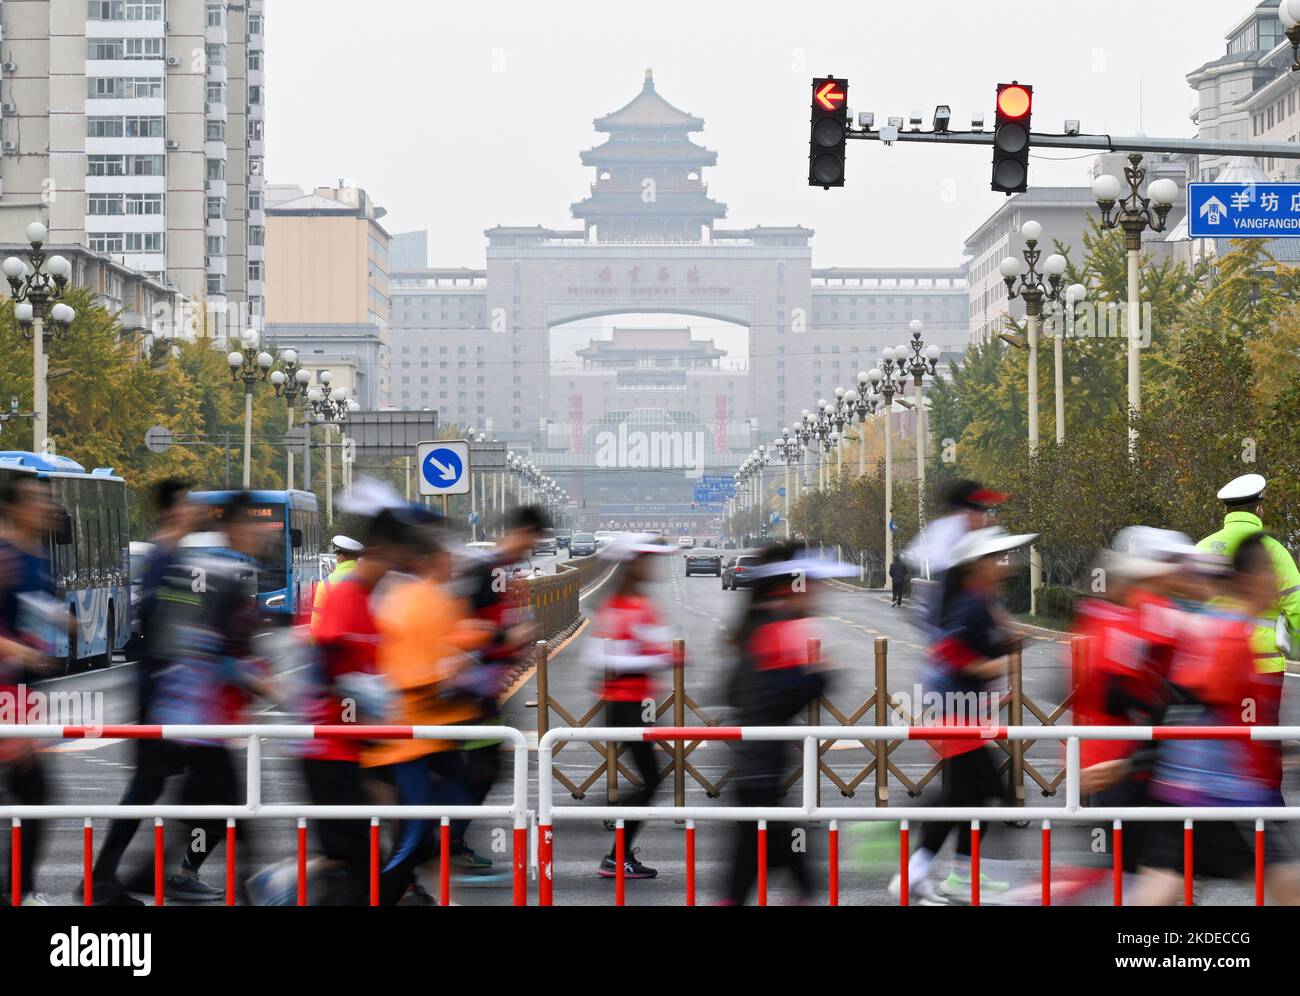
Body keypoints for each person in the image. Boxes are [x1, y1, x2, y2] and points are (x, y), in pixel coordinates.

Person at [90, 491, 273, 904]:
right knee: (175, 793)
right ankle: (120, 877)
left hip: (186, 708)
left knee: (202, 799)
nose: (195, 511)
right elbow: (178, 636)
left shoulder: (196, 564)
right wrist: (251, 679)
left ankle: (143, 875)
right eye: (187, 504)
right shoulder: (175, 562)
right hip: (178, 705)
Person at [1134, 533, 1300, 905]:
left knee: (1163, 885)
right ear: (1249, 578)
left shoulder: (1211, 623)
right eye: (1269, 573)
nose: (1275, 584)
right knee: (1287, 884)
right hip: (1225, 793)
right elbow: (1200, 696)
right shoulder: (1230, 633)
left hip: (1185, 788)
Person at [248, 513, 403, 906]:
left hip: (351, 746)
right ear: (376, 553)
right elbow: (330, 666)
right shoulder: (346, 595)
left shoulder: (369, 600)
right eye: (394, 559)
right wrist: (371, 698)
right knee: (358, 858)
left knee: (353, 855)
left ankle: (281, 884)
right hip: (327, 748)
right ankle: (279, 886)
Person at [889, 526, 1035, 905]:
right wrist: (990, 667)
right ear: (976, 565)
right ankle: (935, 871)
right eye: (998, 558)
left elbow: (984, 639)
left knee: (970, 797)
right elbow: (949, 649)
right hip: (955, 714)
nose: (1006, 563)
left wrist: (1008, 639)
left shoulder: (982, 600)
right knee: (979, 796)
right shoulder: (969, 604)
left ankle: (934, 873)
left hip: (969, 715)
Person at [366, 511, 493, 906]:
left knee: (444, 817)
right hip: (411, 739)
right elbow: (412, 674)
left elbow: (448, 641)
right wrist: (460, 674)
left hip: (437, 736)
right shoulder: (414, 600)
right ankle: (383, 894)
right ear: (429, 560)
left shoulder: (432, 599)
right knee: (416, 834)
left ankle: (423, 887)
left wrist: (480, 639)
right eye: (446, 555)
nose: (454, 561)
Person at [721, 544, 837, 905]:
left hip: (756, 768)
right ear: (791, 588)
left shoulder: (756, 625)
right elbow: (797, 691)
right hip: (759, 770)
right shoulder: (772, 630)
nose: (816, 591)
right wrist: (818, 671)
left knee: (753, 859)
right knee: (785, 854)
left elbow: (736, 692)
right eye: (810, 584)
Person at [450, 504, 551, 872]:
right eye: (534, 539)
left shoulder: (505, 570)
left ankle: (445, 837)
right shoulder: (486, 568)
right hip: (467, 690)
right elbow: (460, 625)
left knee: (479, 766)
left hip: (484, 688)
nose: (532, 547)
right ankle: (444, 840)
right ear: (522, 531)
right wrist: (506, 638)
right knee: (480, 767)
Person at [584, 533, 676, 881]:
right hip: (623, 704)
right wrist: (658, 657)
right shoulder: (623, 606)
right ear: (633, 565)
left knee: (651, 780)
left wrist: (660, 653)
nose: (652, 567)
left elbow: (651, 644)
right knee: (651, 781)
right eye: (646, 561)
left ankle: (617, 846)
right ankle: (615, 847)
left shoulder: (634, 603)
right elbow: (602, 656)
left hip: (633, 703)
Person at [0, 475, 63, 905]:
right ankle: (18, 890)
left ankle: (17, 889)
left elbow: (36, 614)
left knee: (32, 793)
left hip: (25, 693)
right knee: (34, 793)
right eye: (39, 501)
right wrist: (22, 652)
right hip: (6, 690)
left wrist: (63, 624)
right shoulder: (4, 557)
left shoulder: (39, 558)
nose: (47, 509)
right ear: (16, 507)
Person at [1196, 474, 1300, 683]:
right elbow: (1296, 605)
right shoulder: (1273, 550)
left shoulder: (1201, 548)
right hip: (1262, 667)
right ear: (1259, 510)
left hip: (1211, 662)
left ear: (1226, 510)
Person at [310, 535, 363, 635]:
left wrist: (315, 645)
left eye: (336, 555)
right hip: (361, 643)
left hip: (335, 642)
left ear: (341, 557)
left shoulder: (325, 583)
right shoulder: (367, 579)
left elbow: (317, 620)